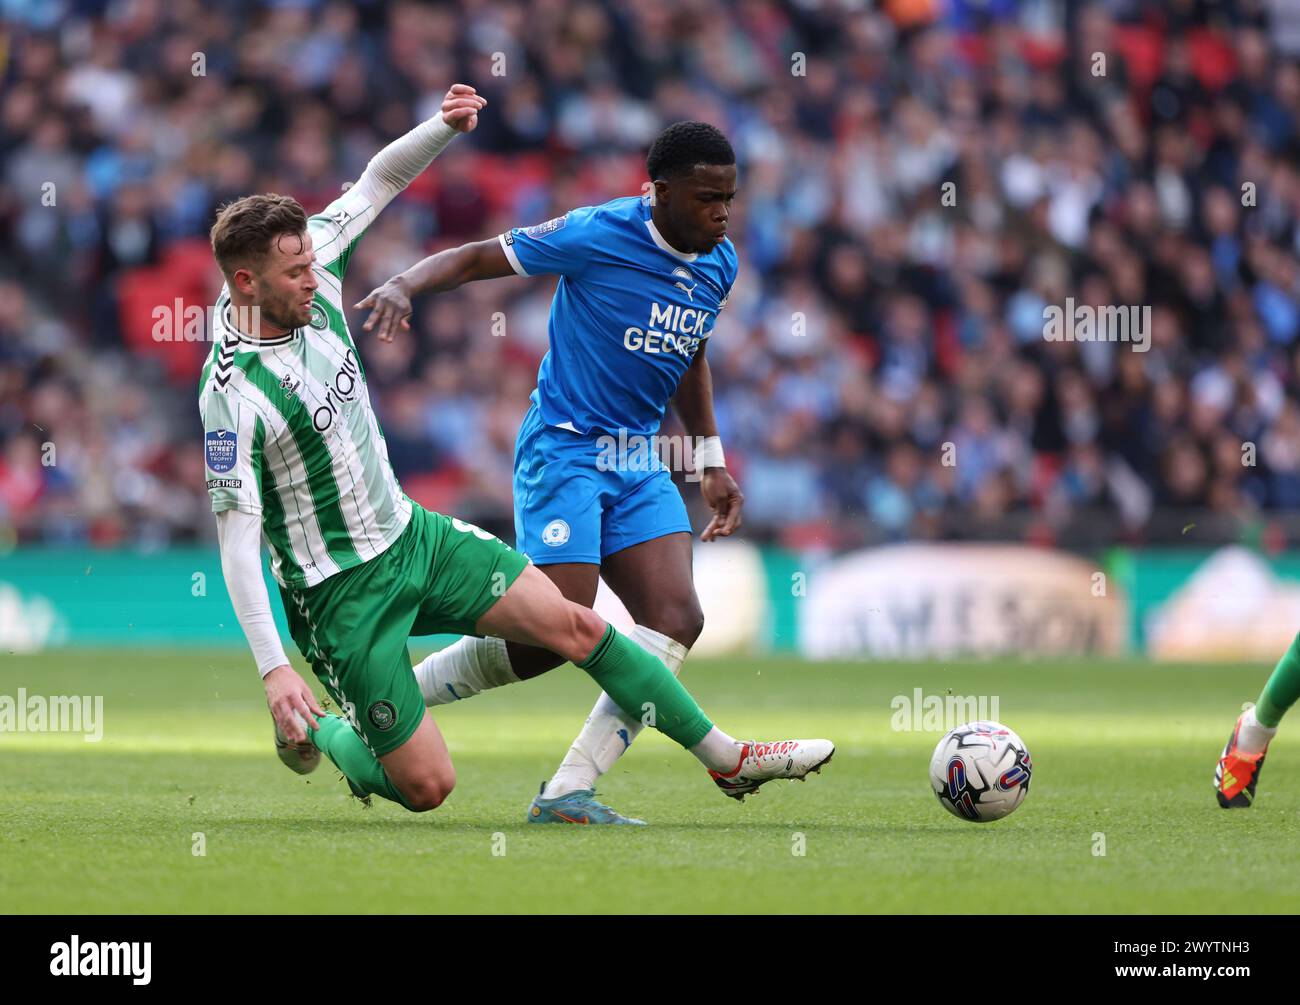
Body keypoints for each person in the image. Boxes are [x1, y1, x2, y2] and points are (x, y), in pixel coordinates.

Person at [200, 84, 833, 815]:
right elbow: (237, 540)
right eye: (297, 275)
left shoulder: (314, 258)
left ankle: (723, 758)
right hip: (339, 588)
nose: (318, 280)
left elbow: (376, 181)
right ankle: (327, 727)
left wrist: (442, 125)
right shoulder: (232, 396)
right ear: (246, 283)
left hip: (415, 536)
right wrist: (274, 668)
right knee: (429, 787)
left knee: (575, 623)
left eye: (314, 263)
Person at [359, 119, 762, 824]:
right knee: (552, 626)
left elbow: (691, 353)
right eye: (707, 198)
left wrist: (709, 460)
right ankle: (387, 701)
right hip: (567, 447)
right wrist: (404, 283)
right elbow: (479, 257)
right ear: (661, 192)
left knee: (677, 616)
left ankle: (568, 791)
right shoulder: (597, 233)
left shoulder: (718, 261)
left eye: (729, 197)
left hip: (637, 459)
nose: (722, 212)